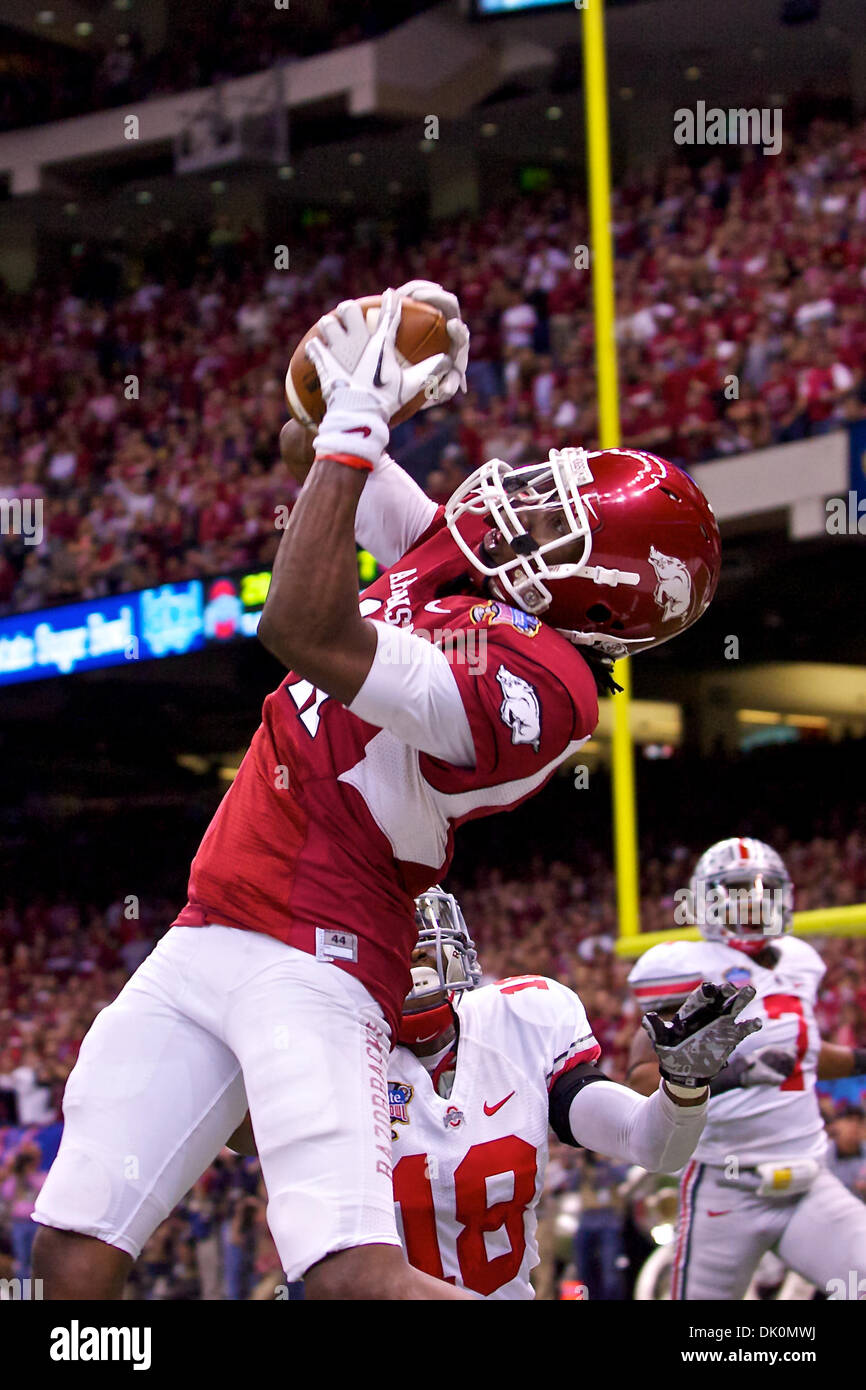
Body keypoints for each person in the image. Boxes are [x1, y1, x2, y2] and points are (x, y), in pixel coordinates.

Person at [32, 283, 720, 1302]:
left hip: (315, 946)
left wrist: (355, 428)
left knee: (351, 1278)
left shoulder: (543, 691)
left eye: (562, 521)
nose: (532, 503)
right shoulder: (473, 562)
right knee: (72, 1252)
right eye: (554, 489)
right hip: (214, 917)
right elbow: (302, 447)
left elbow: (302, 625)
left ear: (597, 600)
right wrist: (349, 373)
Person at [228, 886, 761, 1299]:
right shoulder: (335, 1046)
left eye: (420, 947)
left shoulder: (523, 1022)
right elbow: (242, 1130)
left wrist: (685, 1088)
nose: (413, 966)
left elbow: (651, 1144)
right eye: (393, 949)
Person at [626, 836, 866, 1300]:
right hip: (726, 1183)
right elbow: (640, 1078)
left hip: (809, 1178)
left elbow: (807, 1052)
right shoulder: (681, 968)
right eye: (736, 891)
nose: (753, 901)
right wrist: (739, 1073)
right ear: (707, 901)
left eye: (762, 890)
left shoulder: (801, 962)